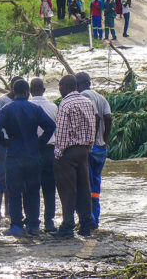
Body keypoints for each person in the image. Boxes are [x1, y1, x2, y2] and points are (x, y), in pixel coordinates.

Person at [0, 80, 55, 236]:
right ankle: (33, 224)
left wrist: (4, 142)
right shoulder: (34, 108)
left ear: (14, 90)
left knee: (14, 190)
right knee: (32, 190)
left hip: (14, 154)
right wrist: (40, 143)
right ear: (27, 92)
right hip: (33, 153)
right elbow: (51, 126)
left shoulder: (7, 108)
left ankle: (17, 225)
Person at [53, 75, 97, 238]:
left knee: (67, 190)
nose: (59, 89)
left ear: (65, 86)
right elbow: (93, 126)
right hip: (84, 150)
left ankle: (67, 225)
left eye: (60, 86)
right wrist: (89, 147)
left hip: (68, 152)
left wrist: (58, 153)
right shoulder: (87, 102)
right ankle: (85, 225)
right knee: (84, 188)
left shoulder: (65, 104)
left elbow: (62, 132)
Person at [76, 73, 112, 228]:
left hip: (90, 148)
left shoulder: (84, 96)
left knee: (85, 184)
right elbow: (108, 118)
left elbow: (95, 118)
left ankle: (88, 219)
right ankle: (95, 218)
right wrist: (104, 139)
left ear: (78, 85)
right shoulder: (101, 98)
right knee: (95, 185)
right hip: (101, 149)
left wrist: (90, 140)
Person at [0, 76, 23, 222]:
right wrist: (3, 138)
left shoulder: (21, 101)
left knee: (12, 176)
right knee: (0, 176)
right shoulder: (1, 101)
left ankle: (8, 210)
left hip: (14, 142)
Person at [29, 78, 59, 233]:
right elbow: (57, 130)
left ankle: (33, 222)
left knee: (31, 187)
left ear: (30, 90)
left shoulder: (27, 106)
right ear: (44, 90)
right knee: (49, 188)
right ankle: (49, 221)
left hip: (31, 150)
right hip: (49, 150)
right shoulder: (53, 107)